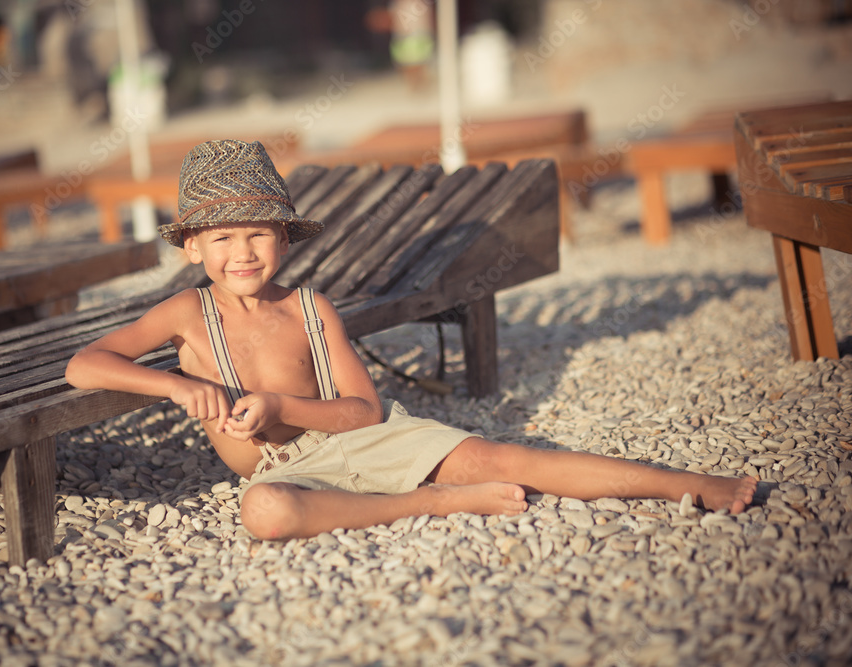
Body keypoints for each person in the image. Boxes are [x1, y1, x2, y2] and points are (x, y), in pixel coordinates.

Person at [65, 139, 757, 541]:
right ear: (193, 248)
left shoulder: (309, 307)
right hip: (284, 472)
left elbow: (361, 412)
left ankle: (689, 484)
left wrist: (279, 406)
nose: (241, 252)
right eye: (222, 238)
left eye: (257, 233)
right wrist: (179, 384)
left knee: (506, 454)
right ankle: (433, 501)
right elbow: (84, 364)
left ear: (281, 239)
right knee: (264, 512)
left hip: (357, 440)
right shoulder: (189, 314)